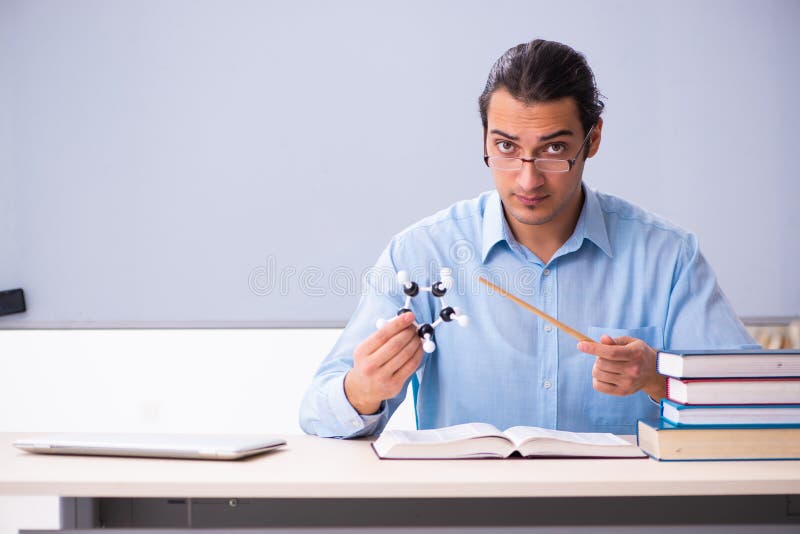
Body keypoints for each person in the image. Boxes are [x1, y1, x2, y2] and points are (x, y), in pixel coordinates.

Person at [299, 39, 755, 438]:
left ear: (592, 140)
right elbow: (318, 413)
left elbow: (753, 407)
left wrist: (658, 378)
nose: (527, 178)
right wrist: (363, 390)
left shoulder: (668, 258)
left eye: (554, 149)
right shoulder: (419, 254)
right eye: (506, 148)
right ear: (484, 138)